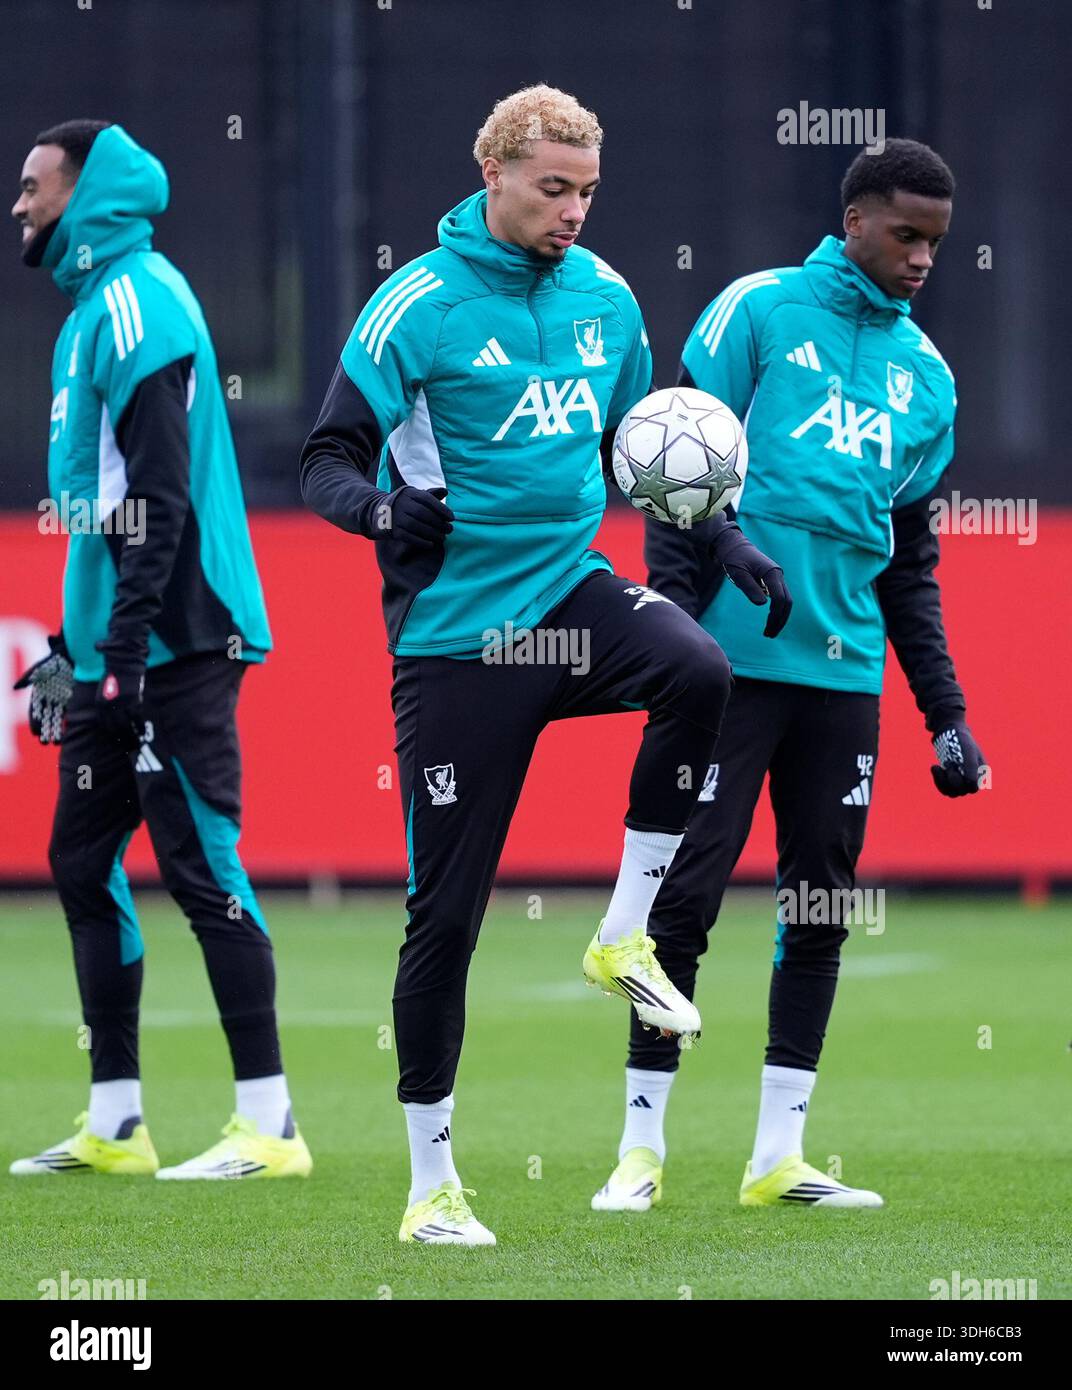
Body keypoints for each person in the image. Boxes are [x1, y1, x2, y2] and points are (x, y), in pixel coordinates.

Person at [300, 85, 791, 1245]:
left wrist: (722, 535)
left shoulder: (606, 298)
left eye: (586, 191)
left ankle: (624, 934)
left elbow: (644, 456)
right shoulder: (413, 304)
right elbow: (327, 455)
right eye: (552, 187)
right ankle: (432, 1188)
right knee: (446, 919)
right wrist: (378, 514)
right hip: (457, 637)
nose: (572, 210)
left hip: (569, 592)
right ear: (495, 176)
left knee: (698, 668)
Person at [592, 138, 987, 1213]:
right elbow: (674, 474)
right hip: (726, 666)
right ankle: (639, 1151)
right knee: (683, 901)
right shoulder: (756, 312)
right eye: (904, 235)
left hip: (843, 675)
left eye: (936, 244)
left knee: (818, 904)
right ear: (852, 218)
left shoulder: (928, 380)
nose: (920, 259)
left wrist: (945, 714)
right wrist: (672, 637)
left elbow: (908, 571)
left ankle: (778, 1156)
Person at [10, 120, 310, 1181]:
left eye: (36, 186)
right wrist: (71, 645)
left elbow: (160, 492)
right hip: (120, 646)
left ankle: (270, 1127)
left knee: (203, 867)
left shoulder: (138, 299)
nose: (20, 206)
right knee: (81, 863)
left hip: (176, 642)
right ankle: (118, 1120)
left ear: (87, 192)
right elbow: (102, 510)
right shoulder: (92, 312)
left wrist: (125, 650)